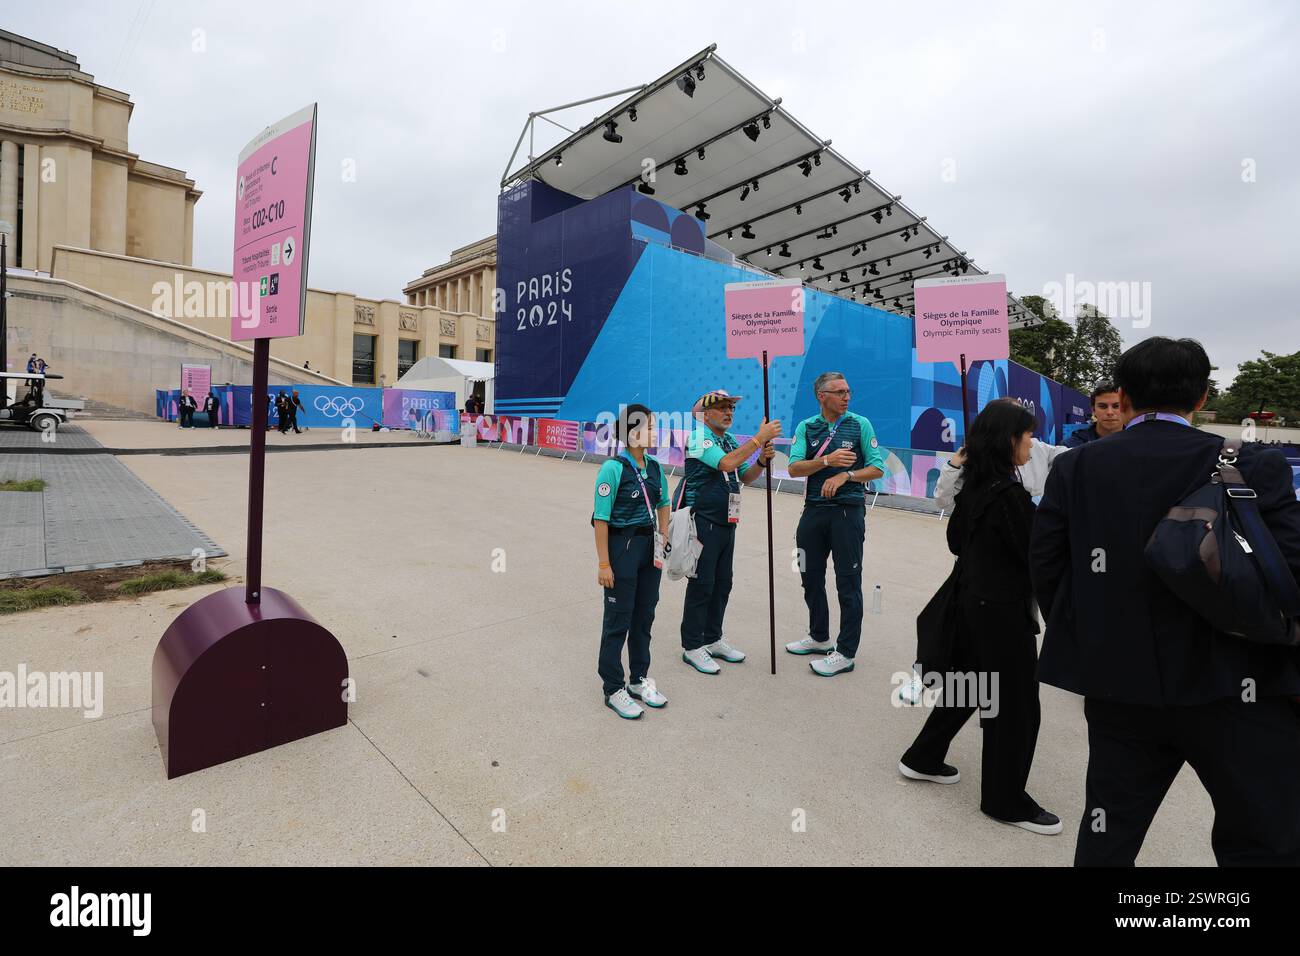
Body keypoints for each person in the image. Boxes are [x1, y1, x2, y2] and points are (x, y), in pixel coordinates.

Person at [1031, 337, 1300, 865]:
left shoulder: (1075, 467)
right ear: (1201, 397)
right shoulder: (1254, 465)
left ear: (1124, 397)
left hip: (1120, 685)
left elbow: (1047, 566)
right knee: (1263, 834)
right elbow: (1289, 570)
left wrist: (1093, 639)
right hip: (1239, 682)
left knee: (1109, 830)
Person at [900, 398, 1063, 836]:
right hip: (1001, 614)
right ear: (1010, 439)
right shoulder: (1008, 496)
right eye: (1028, 435)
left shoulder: (974, 487)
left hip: (971, 604)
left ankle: (923, 757)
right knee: (1015, 710)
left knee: (970, 685)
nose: (1032, 443)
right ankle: (1004, 800)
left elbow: (956, 543)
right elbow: (1036, 559)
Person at [783, 372, 887, 676]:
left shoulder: (860, 424)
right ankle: (819, 637)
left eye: (848, 391)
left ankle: (845, 652)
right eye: (839, 392)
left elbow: (877, 468)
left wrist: (846, 475)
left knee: (848, 583)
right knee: (808, 574)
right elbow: (793, 468)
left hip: (848, 513)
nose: (846, 397)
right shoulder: (806, 426)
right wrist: (828, 462)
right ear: (821, 395)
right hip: (813, 511)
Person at [674, 389, 778, 674]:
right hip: (702, 521)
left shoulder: (728, 439)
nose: (729, 412)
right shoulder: (698, 437)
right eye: (722, 407)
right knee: (702, 584)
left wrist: (761, 461)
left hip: (725, 521)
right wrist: (758, 439)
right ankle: (693, 646)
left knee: (722, 583)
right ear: (706, 414)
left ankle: (713, 638)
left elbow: (744, 475)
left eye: (731, 407)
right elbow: (726, 464)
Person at [592, 403, 671, 719]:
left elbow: (664, 502)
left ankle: (639, 679)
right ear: (634, 432)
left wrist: (662, 536)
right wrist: (603, 564)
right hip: (620, 549)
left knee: (644, 617)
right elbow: (601, 519)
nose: (656, 432)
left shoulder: (654, 467)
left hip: (648, 549)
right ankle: (613, 688)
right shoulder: (613, 468)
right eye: (651, 426)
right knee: (618, 621)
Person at [1064, 382, 1122, 447]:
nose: (1110, 412)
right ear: (1093, 410)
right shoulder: (1072, 446)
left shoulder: (1135, 442)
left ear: (1126, 409)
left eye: (1116, 406)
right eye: (1102, 406)